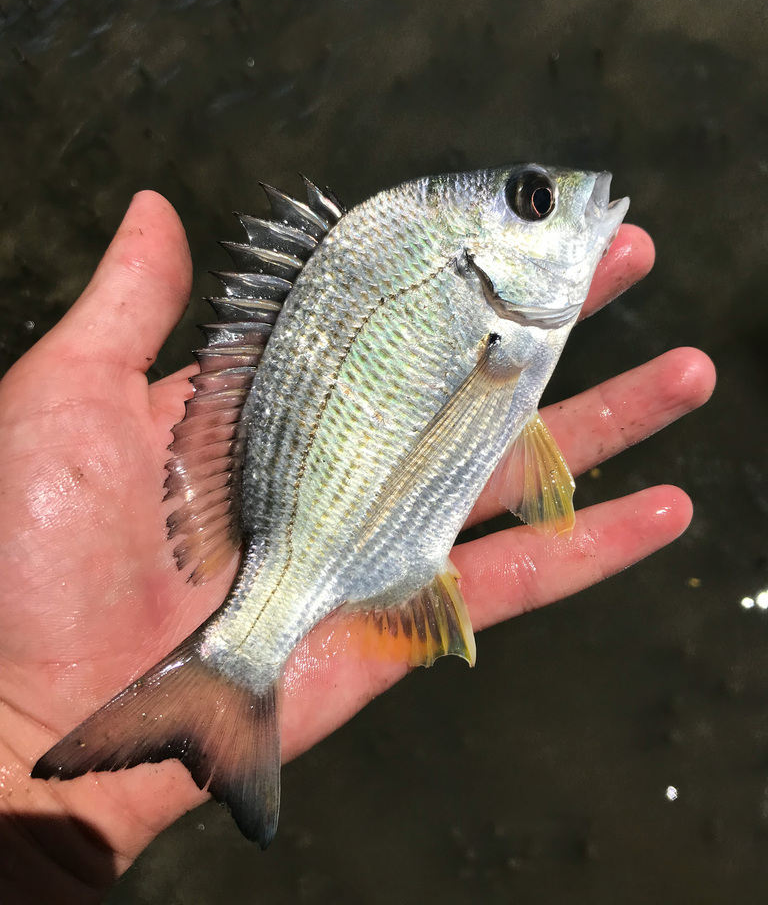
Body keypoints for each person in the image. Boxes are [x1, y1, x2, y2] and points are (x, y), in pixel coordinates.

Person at [0, 191, 715, 903]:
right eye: (535, 202)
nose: (573, 197)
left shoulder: (497, 325)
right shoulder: (497, 331)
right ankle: (228, 674)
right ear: (478, 261)